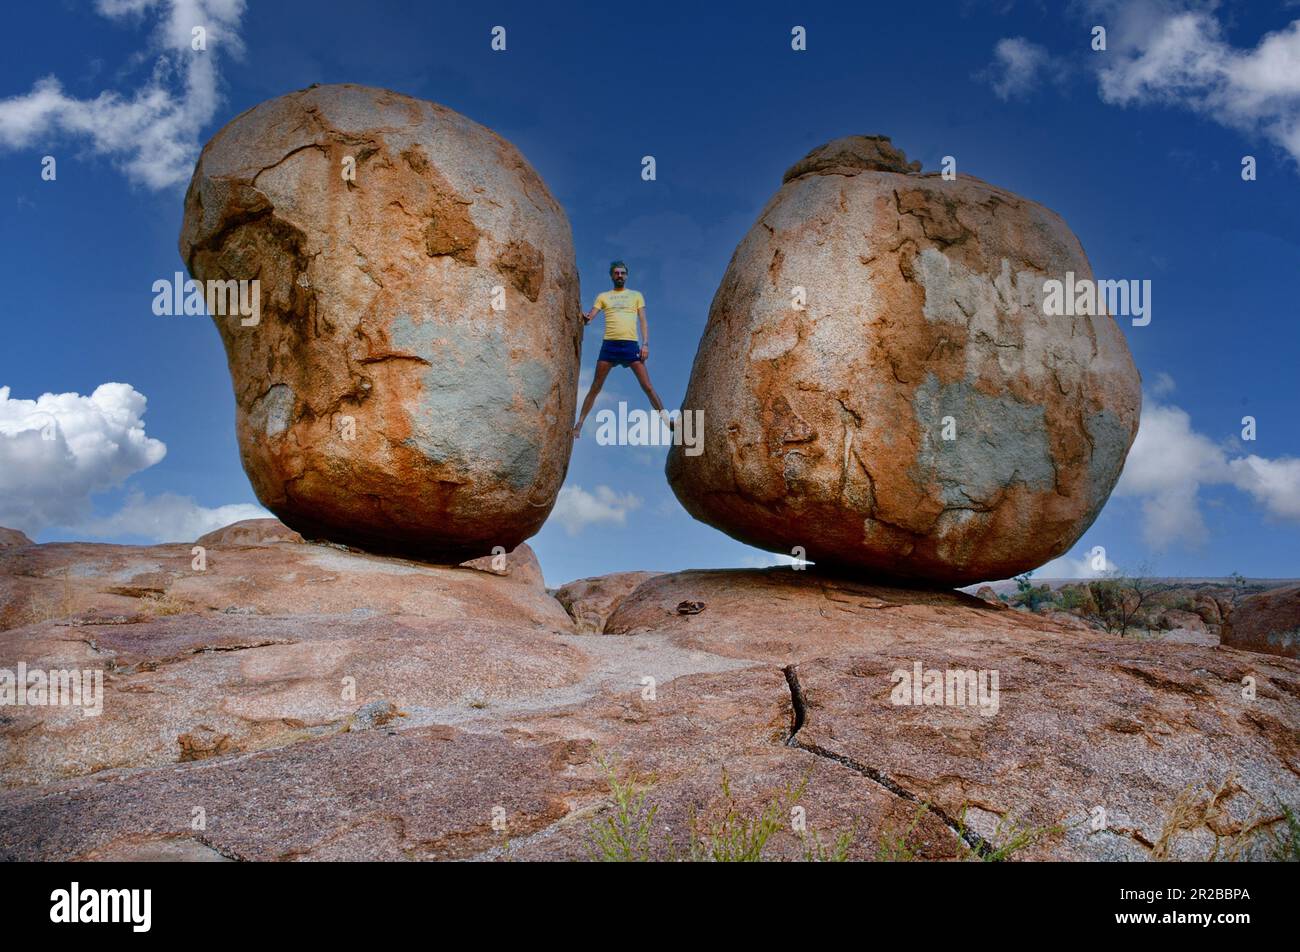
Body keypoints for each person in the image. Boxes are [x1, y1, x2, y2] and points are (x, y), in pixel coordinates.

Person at [573, 260, 671, 437]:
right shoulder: (603, 296)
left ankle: (665, 420)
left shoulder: (636, 296)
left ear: (626, 275)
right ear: (612, 275)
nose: (619, 275)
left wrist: (645, 344)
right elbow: (590, 318)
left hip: (630, 346)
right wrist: (585, 317)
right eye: (616, 273)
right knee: (596, 387)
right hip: (609, 346)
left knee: (647, 386)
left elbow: (643, 321)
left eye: (622, 273)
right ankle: (579, 424)